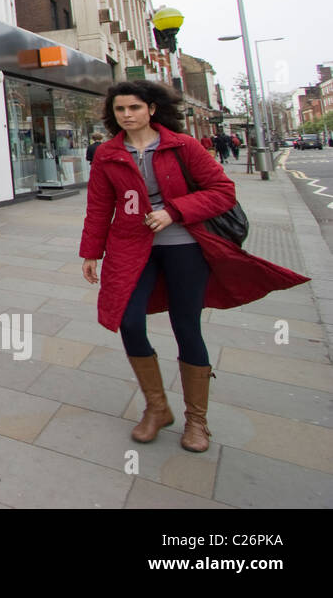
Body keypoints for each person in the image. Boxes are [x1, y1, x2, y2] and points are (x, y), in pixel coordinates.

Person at [80, 80, 310, 453]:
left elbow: (222, 191)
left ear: (151, 109)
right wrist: (90, 252)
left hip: (184, 245)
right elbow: (99, 206)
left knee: (185, 325)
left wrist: (174, 212)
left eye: (134, 108)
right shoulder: (108, 153)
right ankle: (157, 408)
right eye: (120, 109)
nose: (127, 115)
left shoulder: (181, 145)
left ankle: (197, 421)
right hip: (130, 247)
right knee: (129, 320)